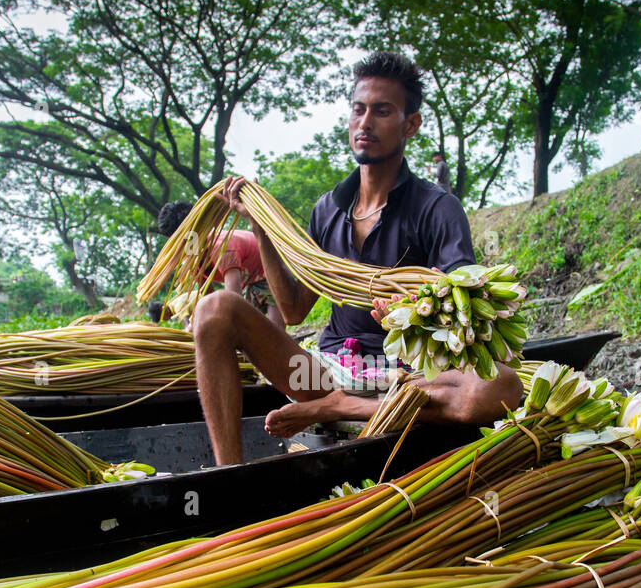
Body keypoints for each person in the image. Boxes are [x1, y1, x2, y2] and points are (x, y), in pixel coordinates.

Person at [191, 50, 521, 466]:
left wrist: (410, 314)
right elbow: (292, 310)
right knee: (214, 309)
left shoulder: (438, 208)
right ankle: (229, 475)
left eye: (382, 112)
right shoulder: (328, 209)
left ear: (410, 125)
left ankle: (339, 407)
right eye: (358, 110)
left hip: (404, 377)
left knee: (496, 387)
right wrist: (260, 226)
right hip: (322, 374)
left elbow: (464, 316)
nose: (365, 123)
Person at [156, 201, 285, 330]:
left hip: (271, 271)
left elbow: (233, 299)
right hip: (249, 282)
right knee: (251, 335)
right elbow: (206, 293)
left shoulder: (221, 248)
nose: (180, 247)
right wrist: (195, 323)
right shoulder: (192, 257)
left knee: (275, 332)